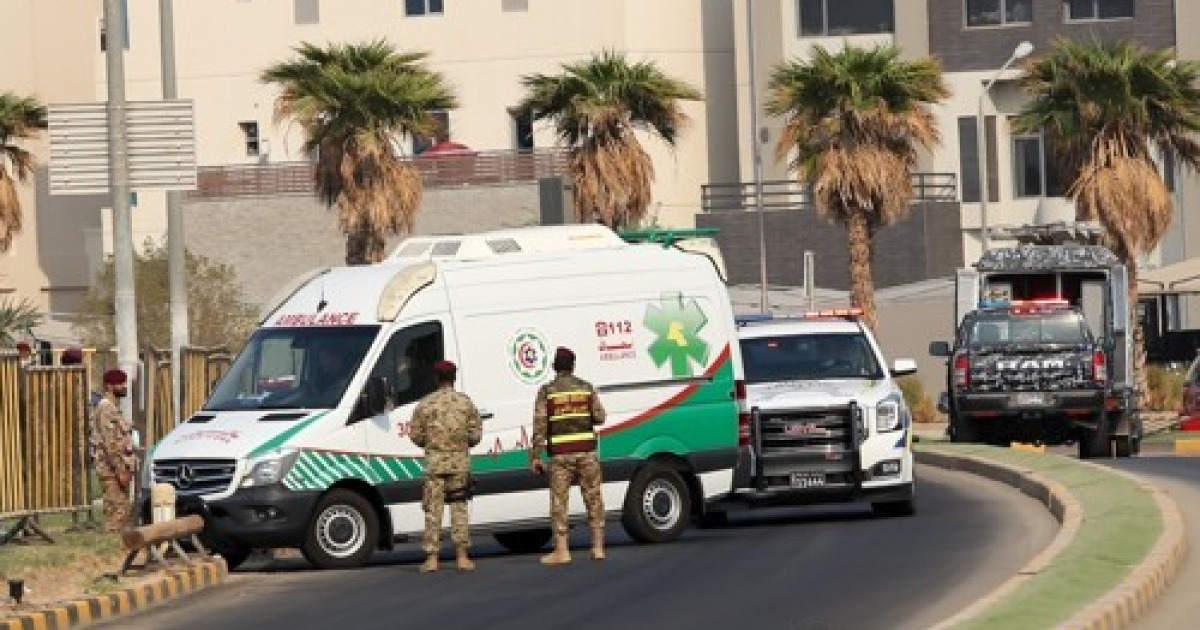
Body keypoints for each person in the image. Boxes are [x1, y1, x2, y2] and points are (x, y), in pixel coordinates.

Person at [529, 346, 607, 565]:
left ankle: (562, 551)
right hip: (587, 453)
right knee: (593, 499)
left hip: (561, 457)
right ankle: (598, 547)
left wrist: (535, 456)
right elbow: (600, 417)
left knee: (559, 502)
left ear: (555, 366)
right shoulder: (586, 388)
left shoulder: (547, 391)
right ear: (573, 366)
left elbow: (540, 426)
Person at [409, 360, 483, 573]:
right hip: (459, 463)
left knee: (433, 510)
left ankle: (432, 558)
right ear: (454, 378)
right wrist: (462, 443)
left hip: (435, 464)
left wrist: (432, 444)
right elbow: (476, 434)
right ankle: (462, 557)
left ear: (436, 378)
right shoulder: (465, 403)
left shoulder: (425, 404)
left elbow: (415, 435)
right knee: (459, 508)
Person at [89, 369, 137, 532]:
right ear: (109, 386)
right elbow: (111, 445)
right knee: (116, 516)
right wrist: (120, 470)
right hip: (111, 471)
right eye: (120, 383)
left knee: (122, 513)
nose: (124, 386)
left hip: (116, 469)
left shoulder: (113, 408)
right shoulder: (106, 409)